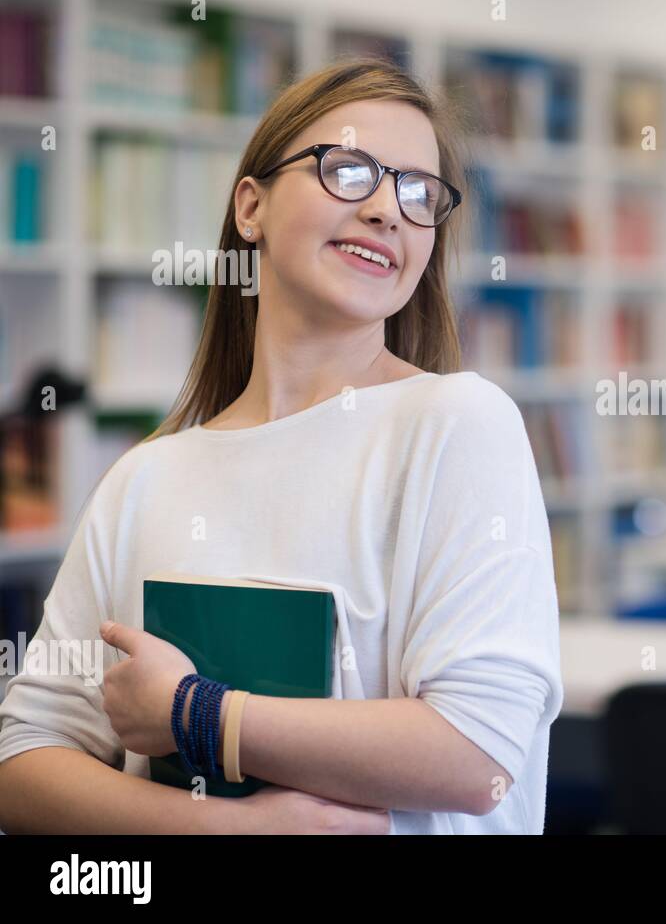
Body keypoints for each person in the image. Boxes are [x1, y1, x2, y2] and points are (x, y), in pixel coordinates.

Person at [0, 59, 563, 834]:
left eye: (417, 194)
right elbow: (23, 755)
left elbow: (480, 754)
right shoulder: (144, 477)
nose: (386, 211)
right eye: (350, 169)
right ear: (250, 205)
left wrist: (200, 715)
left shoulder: (459, 423)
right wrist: (230, 829)